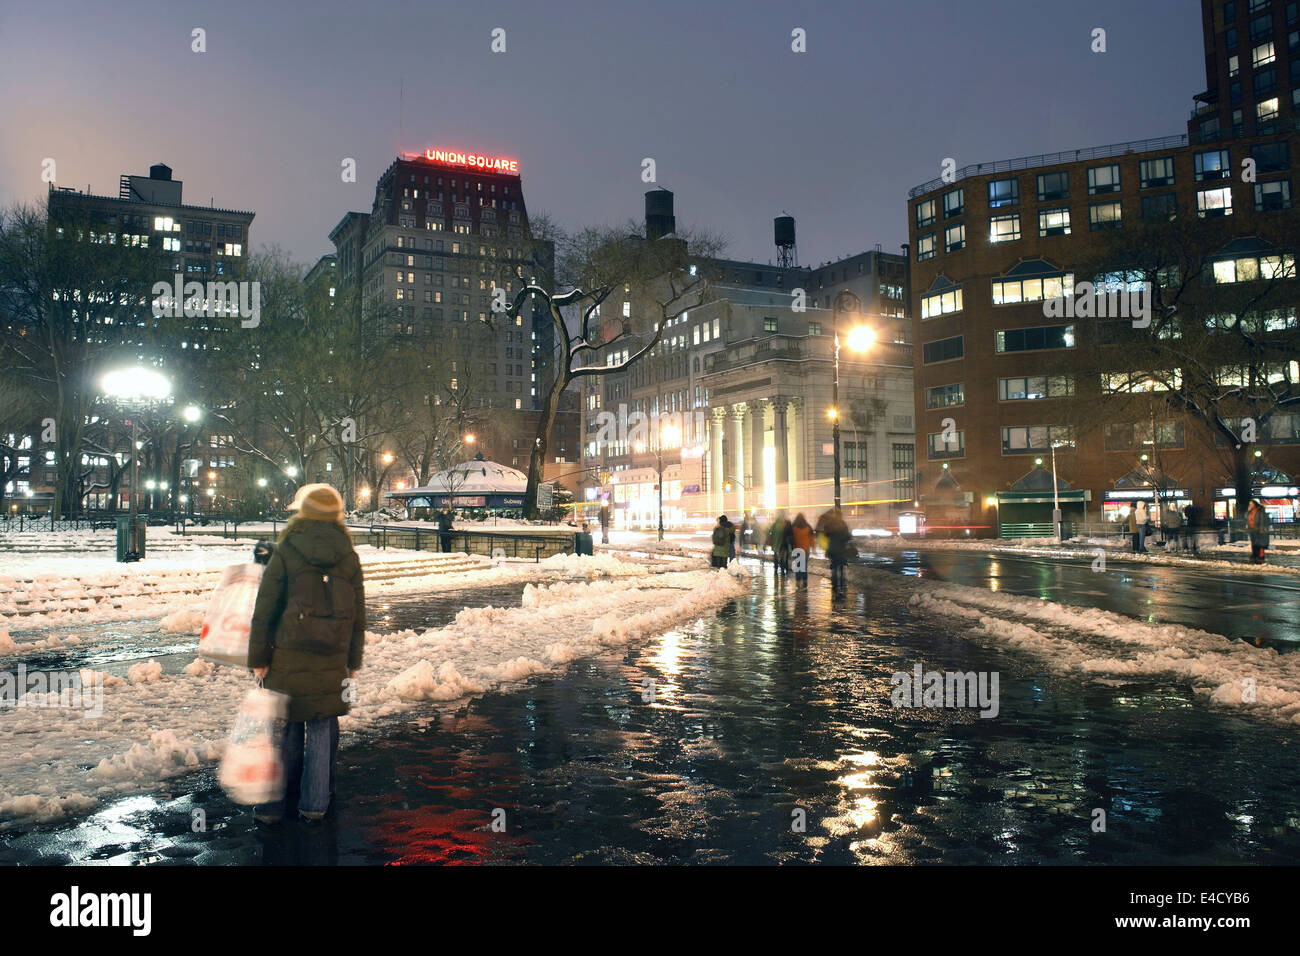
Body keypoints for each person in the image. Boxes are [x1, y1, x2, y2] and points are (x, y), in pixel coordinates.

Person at [248, 483, 365, 825]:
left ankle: (272, 806)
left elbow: (265, 609)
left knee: (283, 728)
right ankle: (314, 804)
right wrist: (352, 660)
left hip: (288, 656)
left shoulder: (285, 551)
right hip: (332, 658)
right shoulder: (349, 555)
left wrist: (259, 658)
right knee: (321, 727)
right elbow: (359, 615)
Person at [816, 507, 853, 588]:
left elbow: (826, 534)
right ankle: (842, 586)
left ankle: (835, 586)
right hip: (841, 550)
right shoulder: (843, 524)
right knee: (842, 568)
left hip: (832, 549)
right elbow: (848, 537)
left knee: (834, 568)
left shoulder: (830, 524)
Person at [790, 512, 814, 586]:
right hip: (805, 549)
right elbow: (811, 538)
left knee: (798, 565)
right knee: (804, 565)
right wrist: (813, 547)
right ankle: (804, 580)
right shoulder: (808, 527)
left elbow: (791, 538)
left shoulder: (793, 527)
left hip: (796, 549)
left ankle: (798, 580)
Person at [1247, 498, 1271, 563]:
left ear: (1255, 504)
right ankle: (1254, 554)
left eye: (1251, 504)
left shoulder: (1260, 511)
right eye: (1250, 504)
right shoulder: (1250, 511)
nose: (1250, 505)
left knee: (1260, 543)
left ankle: (1261, 556)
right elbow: (1247, 518)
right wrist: (1248, 511)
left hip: (1258, 529)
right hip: (1252, 529)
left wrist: (1261, 528)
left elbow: (1262, 520)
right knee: (1254, 542)